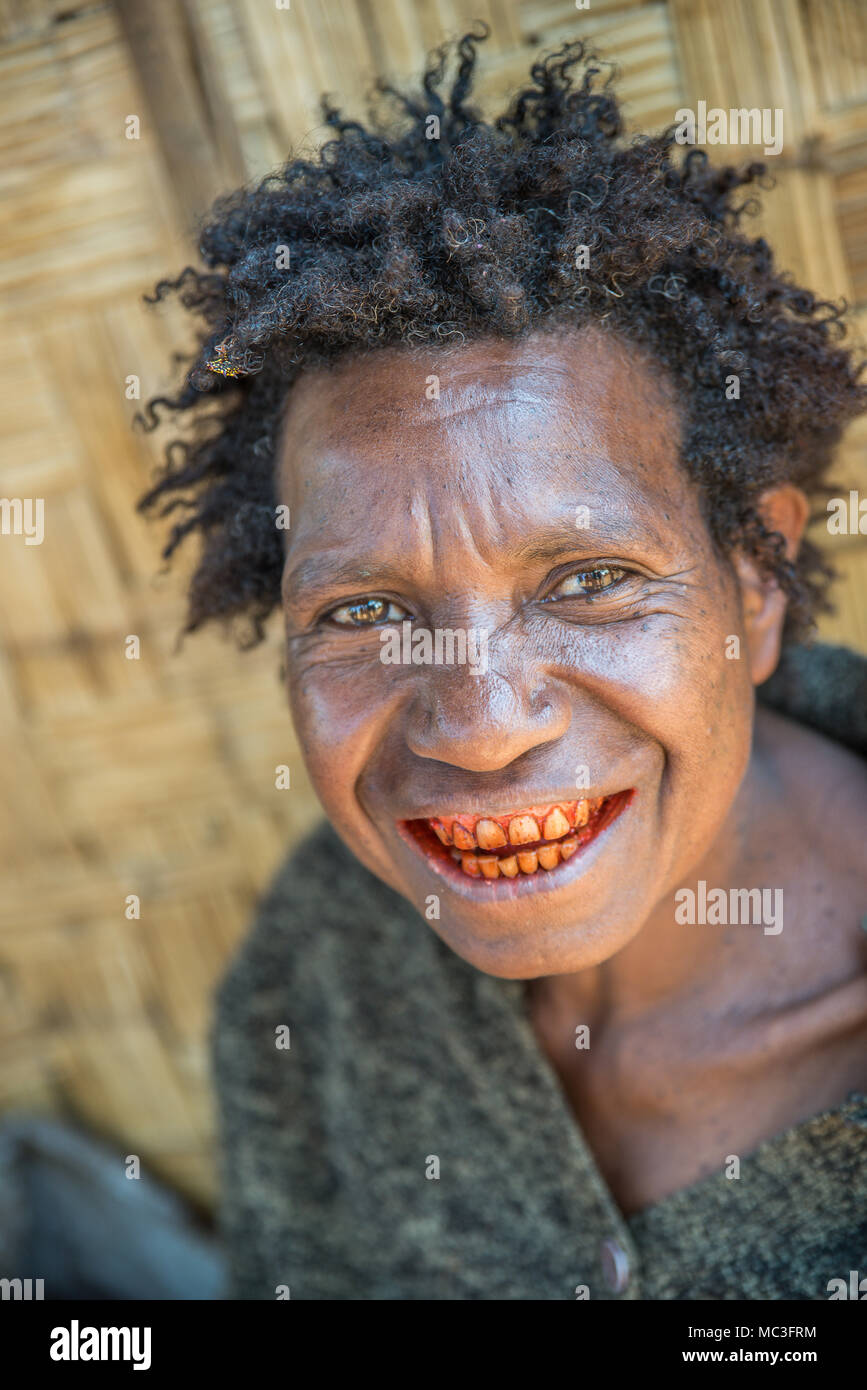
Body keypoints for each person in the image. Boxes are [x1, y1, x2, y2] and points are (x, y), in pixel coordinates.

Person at [140, 30, 867, 1299]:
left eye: (589, 582)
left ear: (755, 581)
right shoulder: (313, 980)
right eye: (362, 610)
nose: (480, 725)